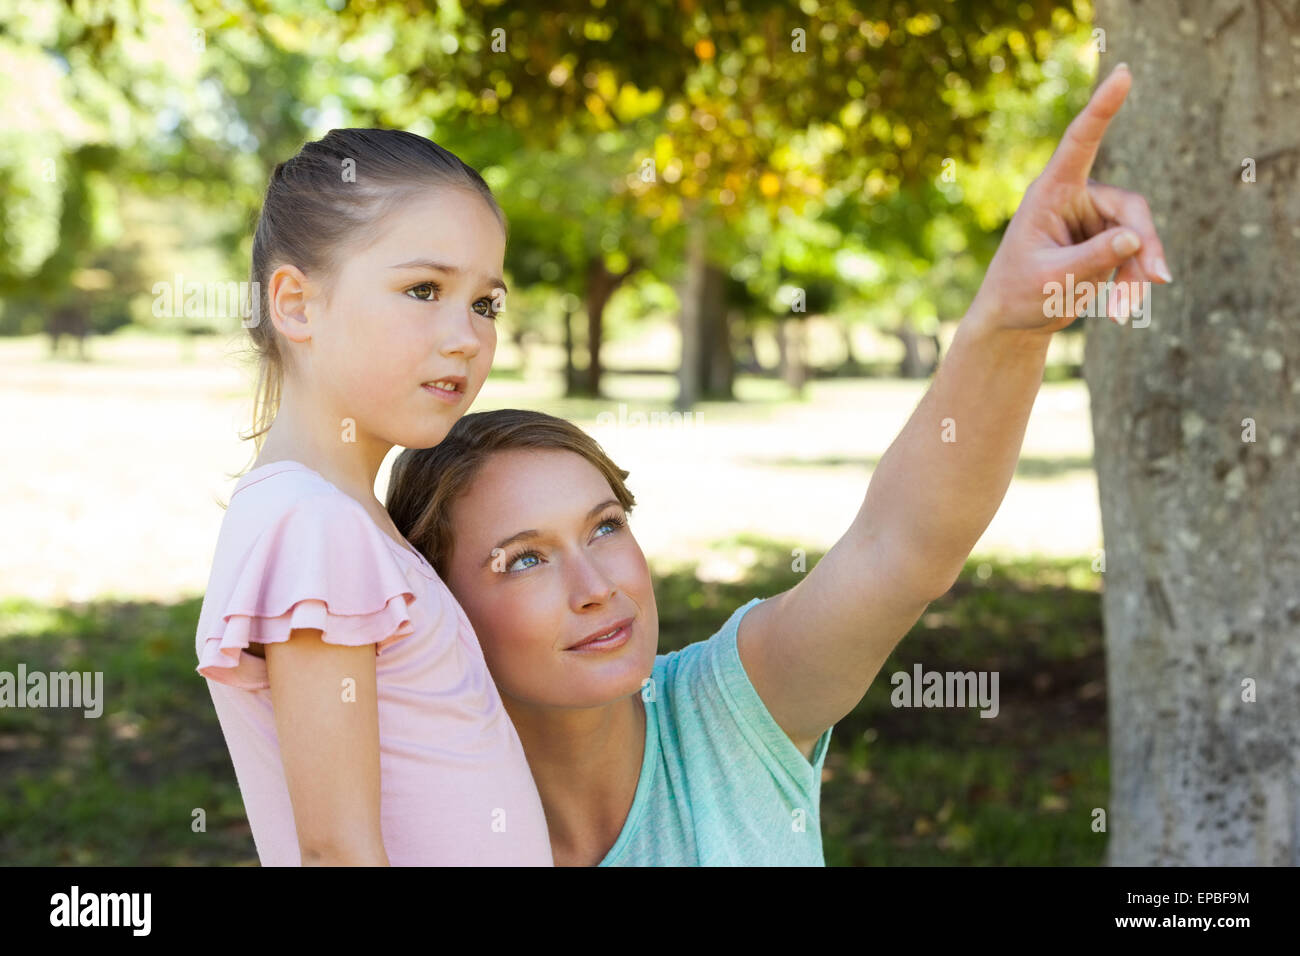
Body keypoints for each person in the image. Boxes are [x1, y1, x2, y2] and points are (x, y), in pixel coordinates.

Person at [384, 63, 1170, 866]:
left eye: (606, 527)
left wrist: (1011, 324)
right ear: (439, 607)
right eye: (524, 559)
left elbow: (901, 546)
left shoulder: (730, 709)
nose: (598, 588)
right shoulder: (412, 829)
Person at [193, 129, 552, 866]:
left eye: (486, 303)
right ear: (296, 305)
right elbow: (337, 851)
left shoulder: (343, 518)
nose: (467, 338)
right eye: (424, 290)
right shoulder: (314, 525)